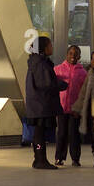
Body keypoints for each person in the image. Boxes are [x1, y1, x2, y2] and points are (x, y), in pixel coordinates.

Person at [25, 36, 65, 170]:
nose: (52, 47)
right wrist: (61, 84)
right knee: (40, 133)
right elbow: (45, 83)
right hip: (41, 104)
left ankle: (39, 158)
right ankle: (40, 159)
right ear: (44, 48)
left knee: (39, 132)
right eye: (50, 45)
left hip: (38, 103)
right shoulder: (40, 64)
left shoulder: (36, 62)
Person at [53, 44, 87, 167]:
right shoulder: (57, 69)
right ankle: (59, 157)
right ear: (67, 55)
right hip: (61, 108)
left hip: (74, 109)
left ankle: (75, 158)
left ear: (79, 56)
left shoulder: (82, 73)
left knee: (74, 134)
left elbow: (84, 92)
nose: (73, 56)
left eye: (76, 54)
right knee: (61, 133)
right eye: (71, 53)